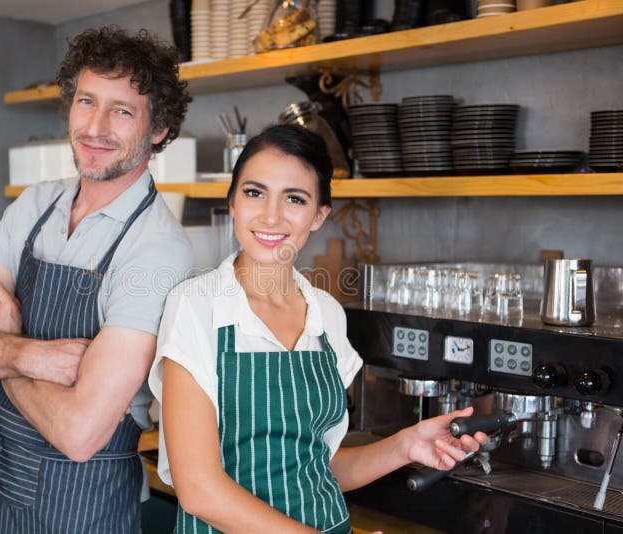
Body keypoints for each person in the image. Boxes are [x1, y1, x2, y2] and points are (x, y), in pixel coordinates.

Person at [148, 124, 488, 533]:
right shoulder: (196, 307)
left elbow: (315, 469)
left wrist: (404, 445)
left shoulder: (326, 315)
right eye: (254, 193)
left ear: (319, 216)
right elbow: (199, 489)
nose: (271, 215)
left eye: (295, 199)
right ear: (233, 203)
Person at [0, 27, 194, 533]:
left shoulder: (156, 250)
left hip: (83, 507)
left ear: (158, 128)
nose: (95, 126)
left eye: (121, 110)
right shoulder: (34, 205)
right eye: (86, 101)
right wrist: (29, 355)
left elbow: (79, 433)